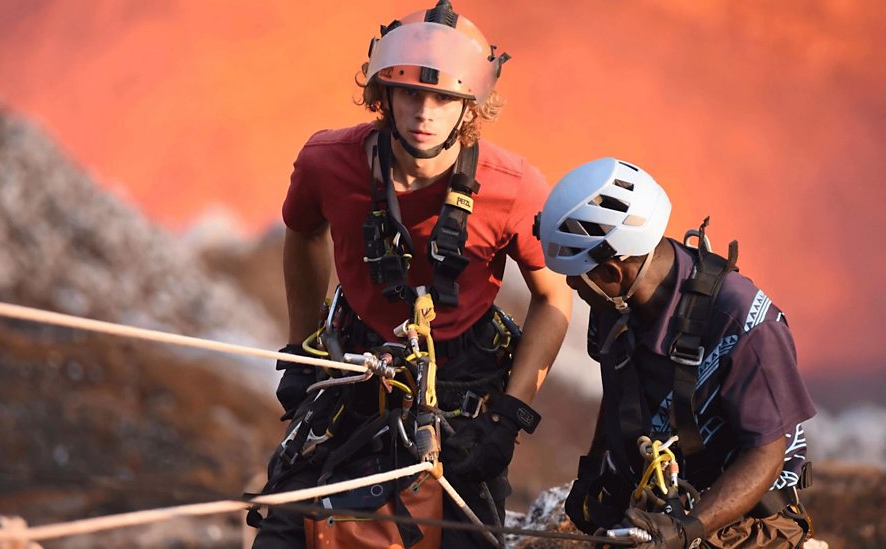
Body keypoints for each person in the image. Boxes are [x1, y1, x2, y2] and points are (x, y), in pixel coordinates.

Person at [251, 1, 572, 547]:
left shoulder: (515, 186)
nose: (425, 112)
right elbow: (304, 233)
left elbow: (553, 298)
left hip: (463, 388)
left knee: (464, 536)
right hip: (352, 365)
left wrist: (509, 416)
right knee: (286, 529)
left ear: (469, 106)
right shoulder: (327, 161)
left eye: (444, 97)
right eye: (410, 92)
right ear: (383, 95)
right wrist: (300, 350)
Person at [535, 158, 816, 548]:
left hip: (747, 526)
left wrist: (687, 528)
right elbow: (618, 391)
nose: (574, 289)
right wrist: (597, 474)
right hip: (657, 506)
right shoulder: (616, 308)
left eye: (576, 280)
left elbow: (766, 452)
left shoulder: (744, 325)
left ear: (613, 273)